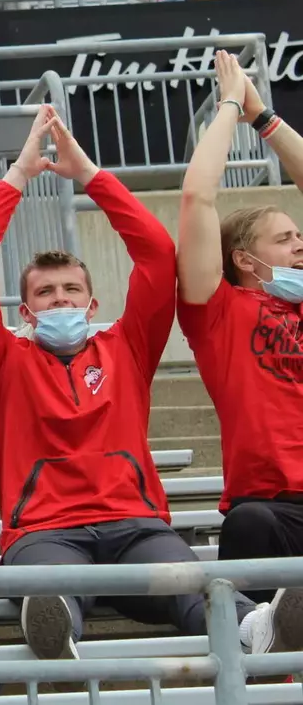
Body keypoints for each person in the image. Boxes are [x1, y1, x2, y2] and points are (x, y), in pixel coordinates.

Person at [0, 102, 303, 658]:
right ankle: (54, 628)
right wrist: (19, 175)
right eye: (46, 294)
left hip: (135, 528)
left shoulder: (127, 346)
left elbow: (157, 253)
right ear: (24, 311)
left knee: (193, 587)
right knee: (53, 588)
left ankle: (254, 629)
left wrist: (91, 176)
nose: (60, 300)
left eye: (71, 291)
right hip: (47, 533)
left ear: (92, 302)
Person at [178, 51, 303, 593]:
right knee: (247, 525)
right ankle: (261, 635)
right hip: (273, 511)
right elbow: (196, 196)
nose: (300, 244)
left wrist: (265, 119)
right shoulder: (220, 311)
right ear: (245, 261)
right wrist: (229, 105)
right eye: (284, 239)